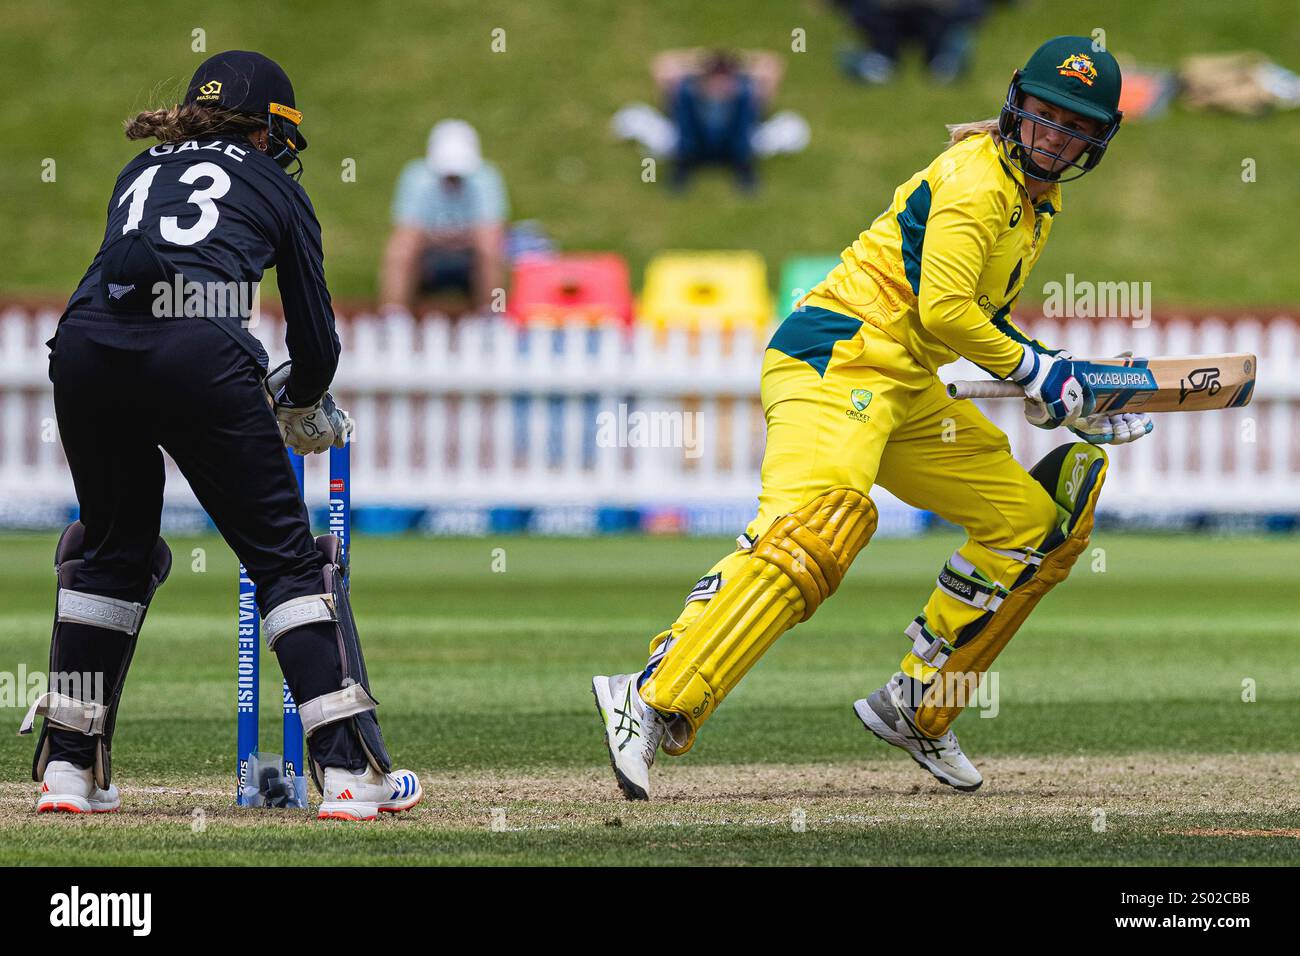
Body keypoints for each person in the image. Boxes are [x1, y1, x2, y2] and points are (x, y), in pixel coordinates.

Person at [594, 36, 1150, 799]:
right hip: (837, 357)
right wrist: (1036, 370)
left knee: (1032, 521)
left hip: (905, 382)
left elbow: (972, 318)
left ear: (1097, 140)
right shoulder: (975, 183)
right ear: (1017, 105)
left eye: (1074, 128)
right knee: (818, 528)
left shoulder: (1034, 204)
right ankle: (652, 695)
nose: (1053, 137)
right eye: (1046, 116)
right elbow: (947, 308)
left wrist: (1059, 382)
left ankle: (923, 702)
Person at [21, 50, 421, 822]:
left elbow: (134, 279)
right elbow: (317, 343)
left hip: (85, 349)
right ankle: (347, 773)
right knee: (284, 561)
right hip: (198, 352)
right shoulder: (272, 183)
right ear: (267, 129)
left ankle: (69, 768)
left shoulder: (139, 169)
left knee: (108, 553)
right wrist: (301, 400)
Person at [379, 119, 509, 316]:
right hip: (429, 258)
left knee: (490, 247)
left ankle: (490, 315)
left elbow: (492, 229)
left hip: (469, 258)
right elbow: (407, 230)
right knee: (401, 248)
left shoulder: (486, 178)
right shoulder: (415, 177)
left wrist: (449, 238)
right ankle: (394, 314)